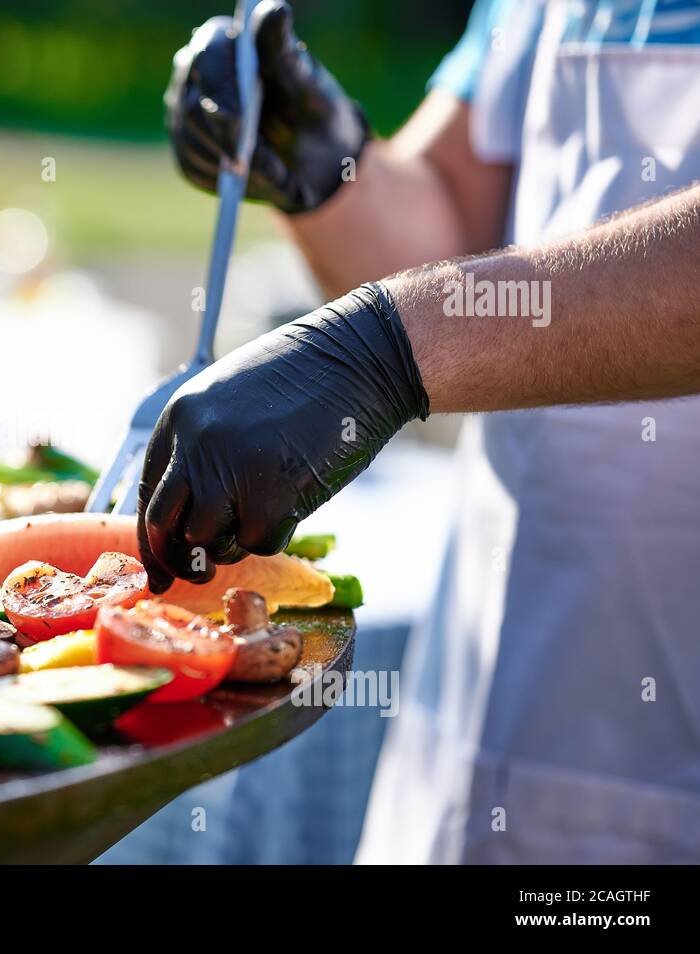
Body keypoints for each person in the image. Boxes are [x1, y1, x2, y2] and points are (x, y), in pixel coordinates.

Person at [150, 0, 700, 863]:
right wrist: (324, 167)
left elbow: (432, 326)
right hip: (489, 702)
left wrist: (383, 347)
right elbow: (454, 236)